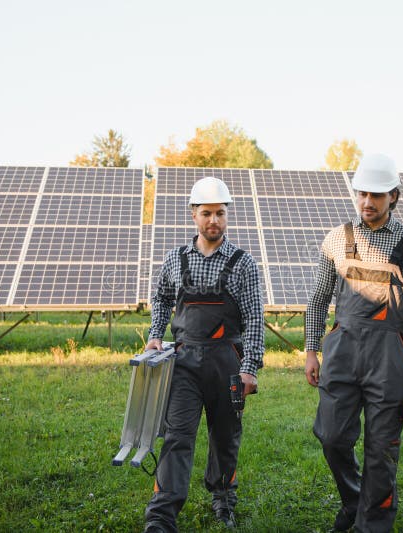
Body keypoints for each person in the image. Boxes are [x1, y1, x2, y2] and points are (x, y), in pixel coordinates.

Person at [304, 153, 403, 532]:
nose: (367, 202)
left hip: (390, 358)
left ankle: (373, 524)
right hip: (342, 354)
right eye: (362, 193)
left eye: (376, 195)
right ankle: (354, 500)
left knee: (381, 451)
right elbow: (318, 299)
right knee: (331, 437)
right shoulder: (337, 239)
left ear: (393, 196)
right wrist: (311, 351)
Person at [144, 176, 264, 532]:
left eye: (220, 213)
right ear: (193, 214)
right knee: (177, 436)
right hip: (185, 363)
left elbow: (255, 318)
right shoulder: (175, 259)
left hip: (228, 363)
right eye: (207, 213)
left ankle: (223, 498)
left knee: (225, 436)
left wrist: (250, 368)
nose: (214, 220)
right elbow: (162, 298)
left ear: (227, 215)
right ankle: (161, 515)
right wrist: (155, 335)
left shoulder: (243, 263)